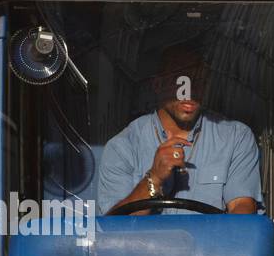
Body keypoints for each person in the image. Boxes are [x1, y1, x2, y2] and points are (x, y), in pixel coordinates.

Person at [97, 45, 261, 215]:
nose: (189, 92)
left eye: (198, 82)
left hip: (210, 241)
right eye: (180, 81)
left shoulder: (235, 138)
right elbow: (115, 228)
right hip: (145, 242)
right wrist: (154, 178)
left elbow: (242, 209)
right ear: (158, 85)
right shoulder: (122, 147)